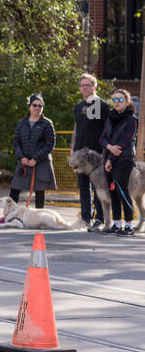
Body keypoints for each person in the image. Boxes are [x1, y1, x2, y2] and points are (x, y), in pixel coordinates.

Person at [9, 93, 56, 211]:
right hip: (24, 162)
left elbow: (50, 144)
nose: (37, 108)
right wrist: (21, 157)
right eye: (35, 105)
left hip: (41, 162)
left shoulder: (47, 123)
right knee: (15, 189)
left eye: (40, 106)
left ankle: (39, 218)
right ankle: (9, 215)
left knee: (40, 192)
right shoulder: (22, 123)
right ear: (30, 106)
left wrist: (36, 158)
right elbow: (16, 142)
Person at [100, 89, 137, 235]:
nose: (117, 103)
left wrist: (110, 158)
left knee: (122, 190)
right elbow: (102, 138)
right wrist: (108, 148)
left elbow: (123, 142)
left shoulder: (132, 120)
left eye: (120, 100)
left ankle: (128, 225)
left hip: (124, 159)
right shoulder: (109, 118)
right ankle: (116, 224)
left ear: (127, 102)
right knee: (112, 191)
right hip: (109, 158)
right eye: (114, 100)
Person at [73, 73, 107, 231]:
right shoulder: (78, 107)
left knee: (98, 187)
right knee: (83, 186)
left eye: (88, 85)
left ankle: (100, 219)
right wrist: (73, 151)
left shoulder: (103, 106)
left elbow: (108, 131)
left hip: (97, 155)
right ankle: (85, 218)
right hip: (80, 155)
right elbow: (77, 130)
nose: (85, 88)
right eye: (82, 85)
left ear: (94, 87)